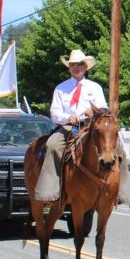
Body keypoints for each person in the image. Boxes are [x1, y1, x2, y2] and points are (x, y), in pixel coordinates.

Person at [37, 49, 109, 202]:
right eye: (72, 64)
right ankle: (51, 189)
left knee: (116, 148)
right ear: (69, 67)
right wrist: (68, 117)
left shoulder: (95, 88)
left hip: (91, 126)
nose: (76, 67)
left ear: (85, 67)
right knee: (52, 145)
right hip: (69, 126)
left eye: (79, 64)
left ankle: (118, 191)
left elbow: (104, 109)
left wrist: (94, 111)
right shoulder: (60, 88)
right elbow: (54, 113)